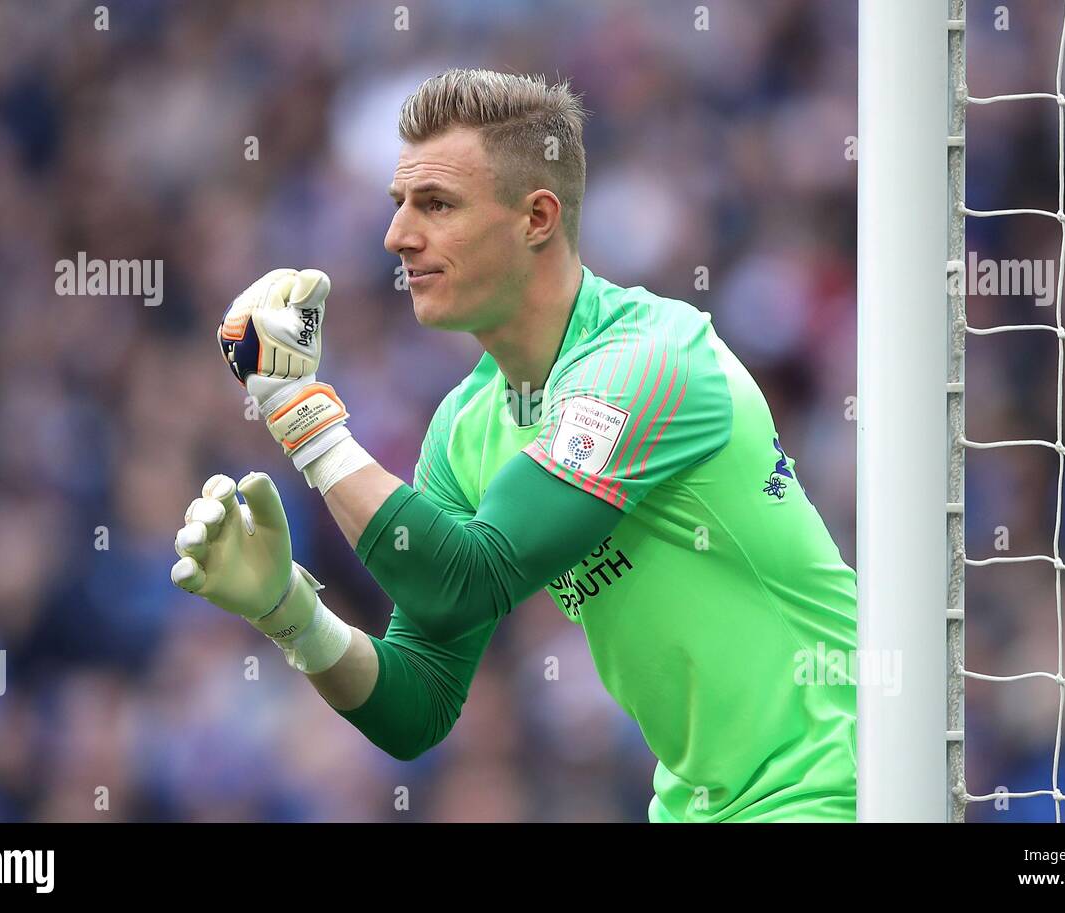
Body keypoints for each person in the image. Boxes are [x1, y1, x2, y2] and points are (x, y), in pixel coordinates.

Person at [171, 68, 857, 822]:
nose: (398, 235)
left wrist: (300, 413)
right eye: (398, 205)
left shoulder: (654, 360)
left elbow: (470, 576)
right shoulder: (466, 429)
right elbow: (419, 701)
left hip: (840, 789)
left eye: (436, 204)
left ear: (537, 217)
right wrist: (292, 614)